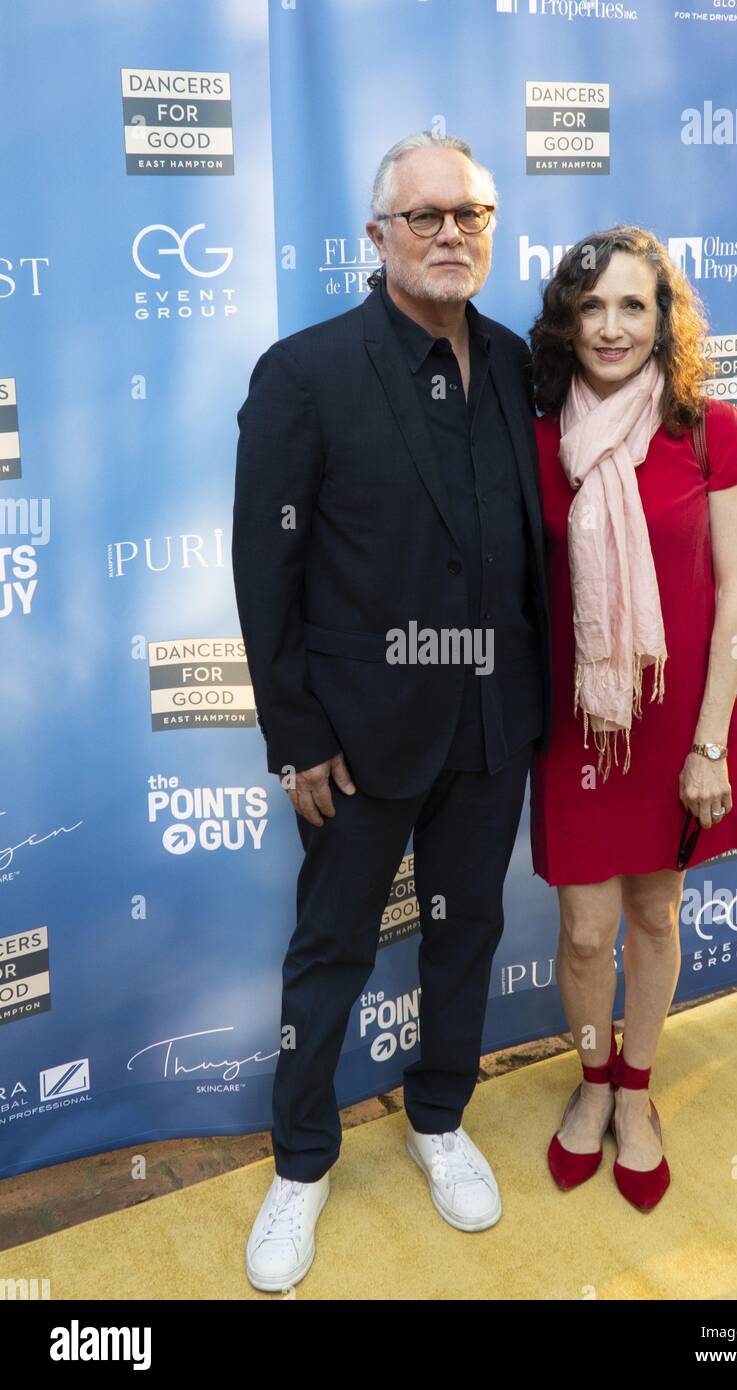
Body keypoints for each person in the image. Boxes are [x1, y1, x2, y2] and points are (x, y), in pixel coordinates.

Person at [232, 131, 551, 1291]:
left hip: (492, 725)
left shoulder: (518, 363)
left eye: (468, 213)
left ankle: (438, 1117)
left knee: (467, 929)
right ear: (377, 237)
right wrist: (295, 731)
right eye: (424, 216)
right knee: (331, 950)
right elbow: (264, 571)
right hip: (356, 741)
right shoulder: (304, 372)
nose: (449, 233)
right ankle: (303, 1162)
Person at [528, 226, 737, 1211]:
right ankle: (589, 1078)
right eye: (592, 306)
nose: (612, 327)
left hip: (679, 724)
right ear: (566, 321)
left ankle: (635, 1090)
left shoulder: (710, 430)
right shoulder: (535, 435)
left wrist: (711, 740)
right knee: (585, 932)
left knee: (655, 911)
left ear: (665, 318)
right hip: (574, 722)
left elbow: (736, 594)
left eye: (635, 304)